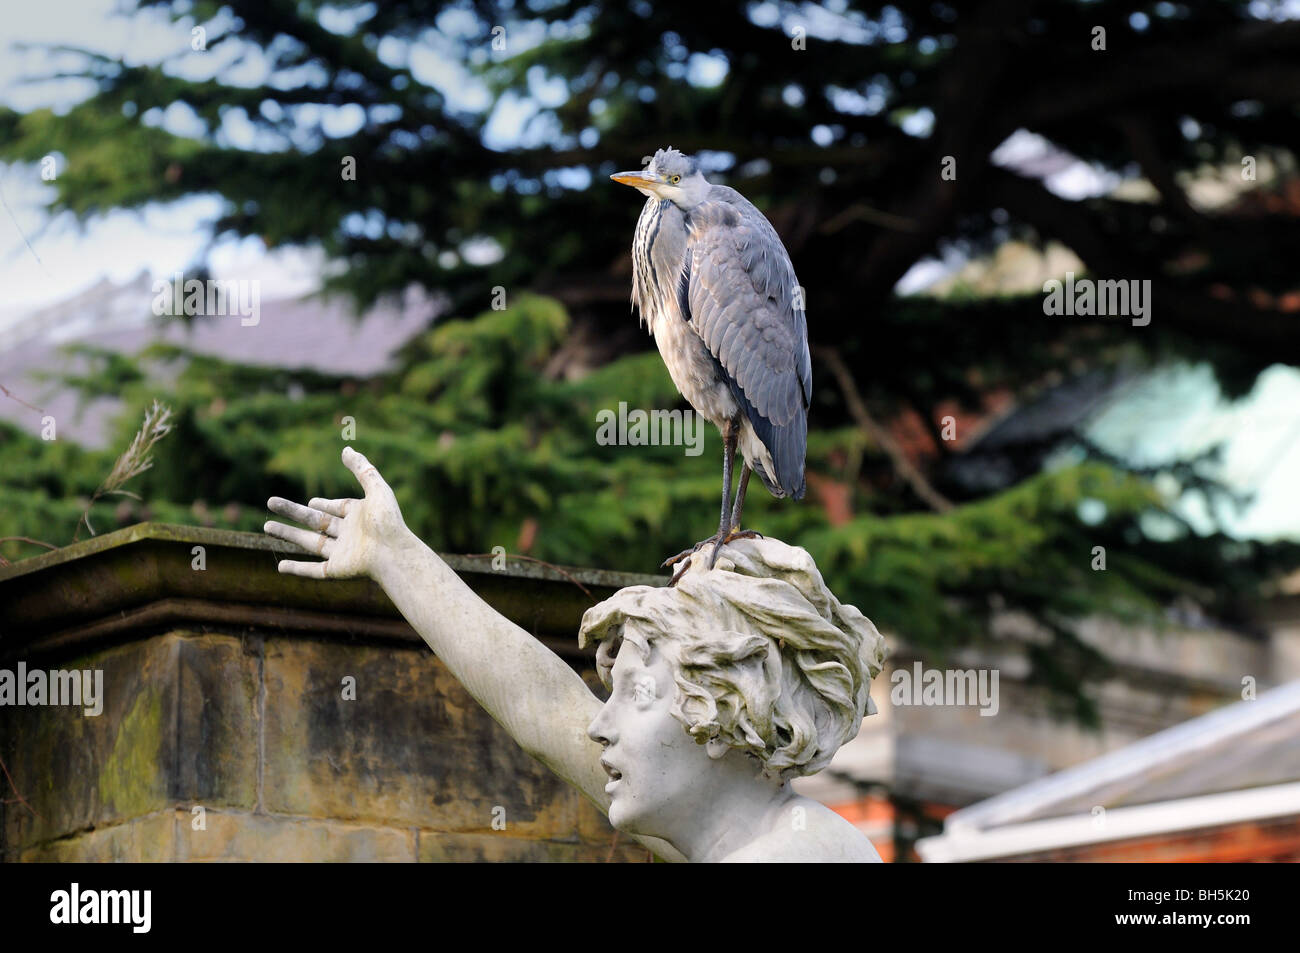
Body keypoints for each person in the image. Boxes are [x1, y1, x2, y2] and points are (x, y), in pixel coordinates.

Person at [265, 447, 886, 862]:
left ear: (730, 707)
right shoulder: (744, 836)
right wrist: (393, 555)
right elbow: (544, 711)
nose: (597, 723)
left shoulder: (800, 855)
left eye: (637, 694)